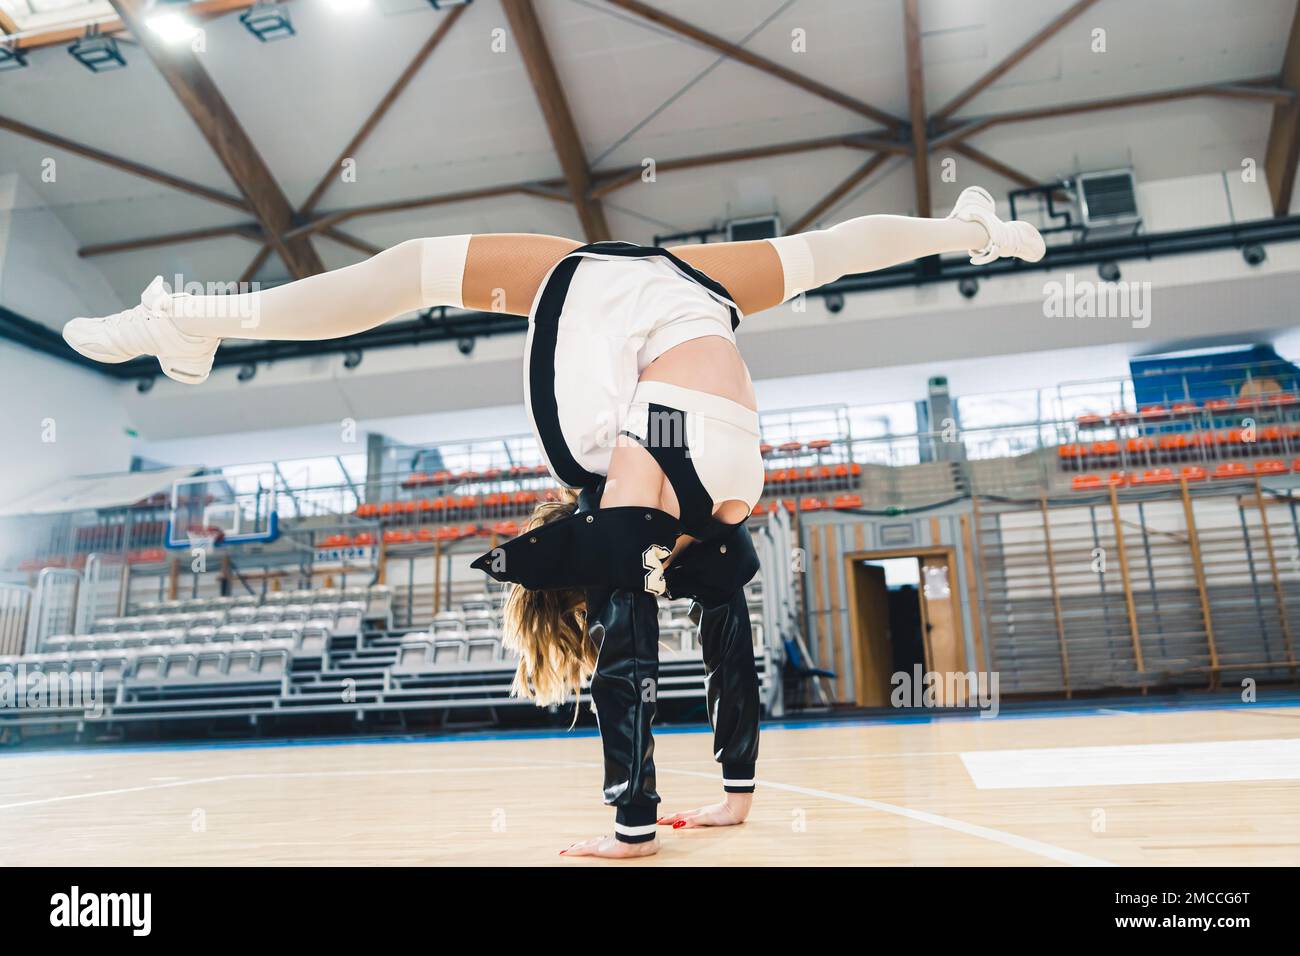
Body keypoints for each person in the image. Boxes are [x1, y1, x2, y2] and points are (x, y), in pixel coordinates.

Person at [64, 186, 1044, 858]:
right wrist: (636, 820)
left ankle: (975, 232)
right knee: (820, 255)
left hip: (676, 335)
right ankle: (972, 233)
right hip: (666, 335)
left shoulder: (701, 502)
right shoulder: (649, 477)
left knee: (418, 271)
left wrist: (722, 799)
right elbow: (640, 639)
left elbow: (706, 638)